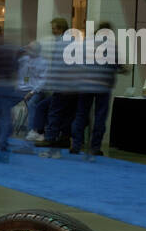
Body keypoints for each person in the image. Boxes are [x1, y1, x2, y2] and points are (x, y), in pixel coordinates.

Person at [71, 21, 123, 158]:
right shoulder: (112, 47)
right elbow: (117, 66)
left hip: (85, 85)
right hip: (103, 87)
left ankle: (76, 144)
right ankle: (95, 147)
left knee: (81, 115)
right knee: (100, 117)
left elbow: (77, 63)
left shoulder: (85, 44)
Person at [39, 17, 76, 157]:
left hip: (62, 83)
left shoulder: (61, 44)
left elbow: (58, 65)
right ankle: (64, 138)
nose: (52, 31)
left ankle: (50, 138)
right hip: (72, 85)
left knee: (54, 111)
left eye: (54, 28)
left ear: (60, 28)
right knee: (67, 113)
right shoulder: (74, 42)